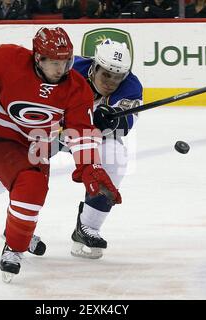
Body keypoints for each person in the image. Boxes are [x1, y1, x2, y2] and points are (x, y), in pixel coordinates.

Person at [0, 27, 122, 282]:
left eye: (65, 62)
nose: (60, 69)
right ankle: (16, 245)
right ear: (38, 58)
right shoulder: (9, 59)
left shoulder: (76, 89)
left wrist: (91, 168)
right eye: (54, 62)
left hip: (37, 145)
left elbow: (82, 133)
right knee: (30, 187)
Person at [53, 39, 143, 259]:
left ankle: (87, 228)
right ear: (94, 67)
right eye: (106, 75)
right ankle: (16, 224)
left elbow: (124, 128)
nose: (111, 82)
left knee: (115, 156)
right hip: (55, 129)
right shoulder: (71, 68)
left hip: (88, 138)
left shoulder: (131, 87)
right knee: (21, 162)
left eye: (117, 77)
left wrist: (111, 121)